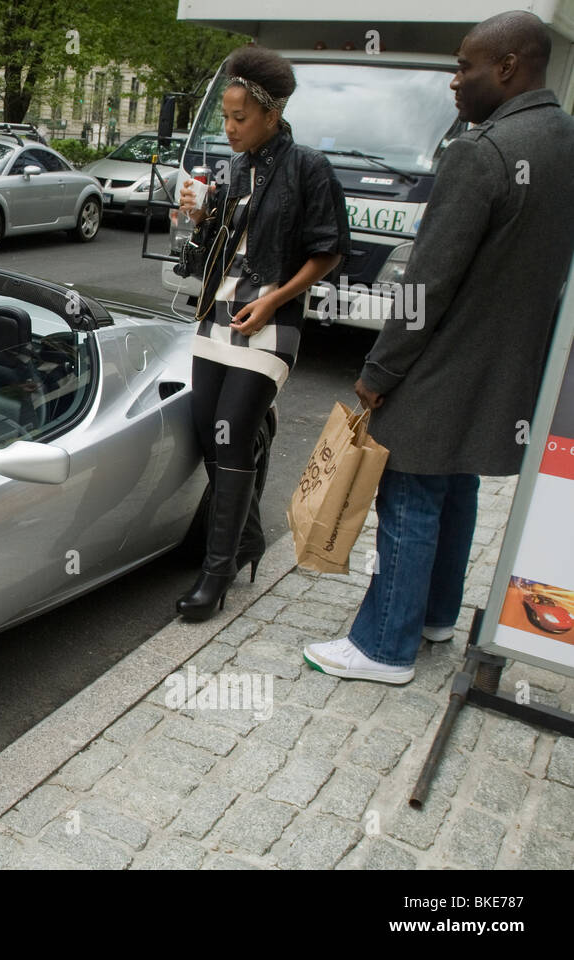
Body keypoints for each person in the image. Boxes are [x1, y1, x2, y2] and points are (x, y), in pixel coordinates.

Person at [304, 10, 574, 683]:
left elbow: (426, 282)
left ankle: (384, 647)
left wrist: (379, 369)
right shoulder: (564, 138)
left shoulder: (480, 151)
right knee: (455, 487)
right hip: (507, 365)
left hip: (441, 365)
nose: (455, 81)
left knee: (410, 492)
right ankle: (435, 617)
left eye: (465, 67)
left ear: (508, 66)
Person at [175, 45, 349, 621]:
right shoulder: (237, 168)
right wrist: (201, 216)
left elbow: (328, 252)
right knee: (207, 429)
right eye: (224, 117)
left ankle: (216, 572)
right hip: (217, 314)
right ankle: (246, 539)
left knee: (230, 434)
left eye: (239, 118)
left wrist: (274, 299)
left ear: (272, 115)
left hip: (270, 322)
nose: (228, 128)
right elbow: (221, 247)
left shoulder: (308, 168)